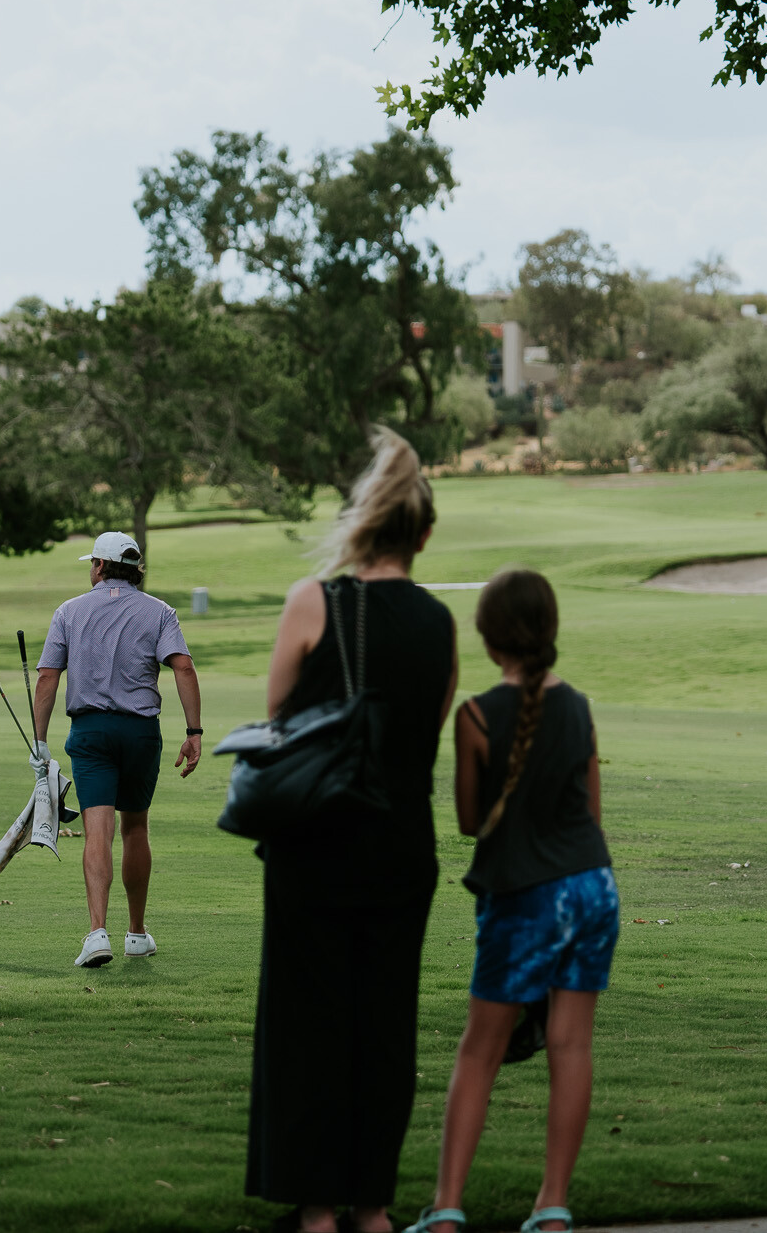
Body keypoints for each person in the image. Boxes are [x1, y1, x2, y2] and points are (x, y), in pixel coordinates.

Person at [247, 428, 458, 1233]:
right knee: (384, 1026)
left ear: (364, 526)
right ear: (423, 536)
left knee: (309, 1024)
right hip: (402, 848)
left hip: (315, 848)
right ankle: (373, 1206)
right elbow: (425, 734)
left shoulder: (314, 601)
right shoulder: (440, 624)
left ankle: (316, 1210)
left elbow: (277, 721)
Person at [404, 568, 615, 1233]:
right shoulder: (579, 706)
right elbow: (592, 815)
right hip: (593, 889)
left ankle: (446, 1210)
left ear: (489, 638)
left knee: (480, 1051)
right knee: (570, 1045)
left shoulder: (475, 715)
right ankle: (552, 1207)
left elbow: (471, 821)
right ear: (549, 630)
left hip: (524, 896)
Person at [31, 531, 203, 969]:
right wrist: (194, 731)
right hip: (141, 732)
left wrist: (39, 741)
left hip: (91, 733)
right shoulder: (159, 611)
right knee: (135, 829)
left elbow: (48, 676)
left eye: (92, 563)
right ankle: (137, 934)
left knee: (98, 832)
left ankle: (96, 934)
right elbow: (183, 666)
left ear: (101, 566)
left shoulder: (69, 611)